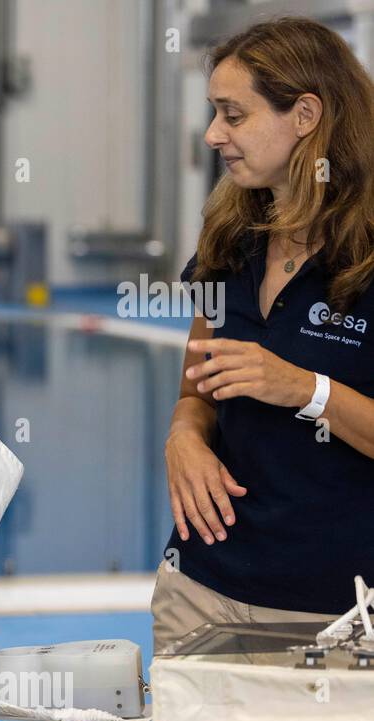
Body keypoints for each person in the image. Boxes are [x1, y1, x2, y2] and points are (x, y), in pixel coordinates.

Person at [155, 17, 374, 653]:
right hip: (202, 589)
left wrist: (308, 389)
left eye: (234, 115)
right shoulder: (229, 237)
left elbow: (299, 390)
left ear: (305, 114)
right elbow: (198, 388)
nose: (212, 134)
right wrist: (183, 434)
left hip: (340, 614)